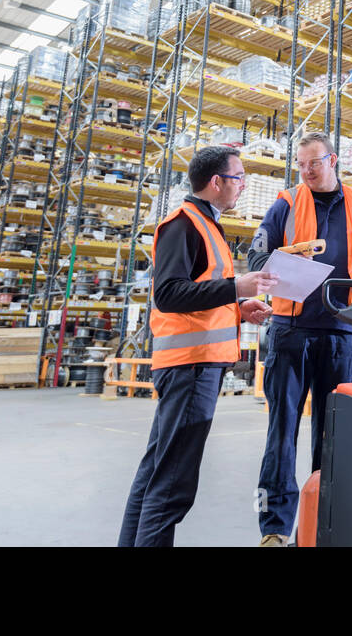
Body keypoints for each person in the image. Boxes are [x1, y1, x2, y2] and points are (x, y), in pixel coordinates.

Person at [250, 131, 352, 546]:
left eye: (314, 163)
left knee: (332, 434)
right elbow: (257, 255)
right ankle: (274, 529)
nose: (306, 171)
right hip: (290, 331)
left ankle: (325, 522)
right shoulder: (286, 202)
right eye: (300, 164)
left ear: (332, 160)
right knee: (281, 431)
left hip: (341, 331)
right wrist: (284, 263)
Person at [118, 146, 278, 547]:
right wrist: (235, 287)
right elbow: (169, 294)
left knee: (157, 471)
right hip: (190, 368)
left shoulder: (207, 225)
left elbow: (201, 293)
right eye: (239, 178)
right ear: (217, 182)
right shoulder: (184, 224)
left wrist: (239, 307)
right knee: (173, 482)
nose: (243, 186)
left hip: (194, 366)